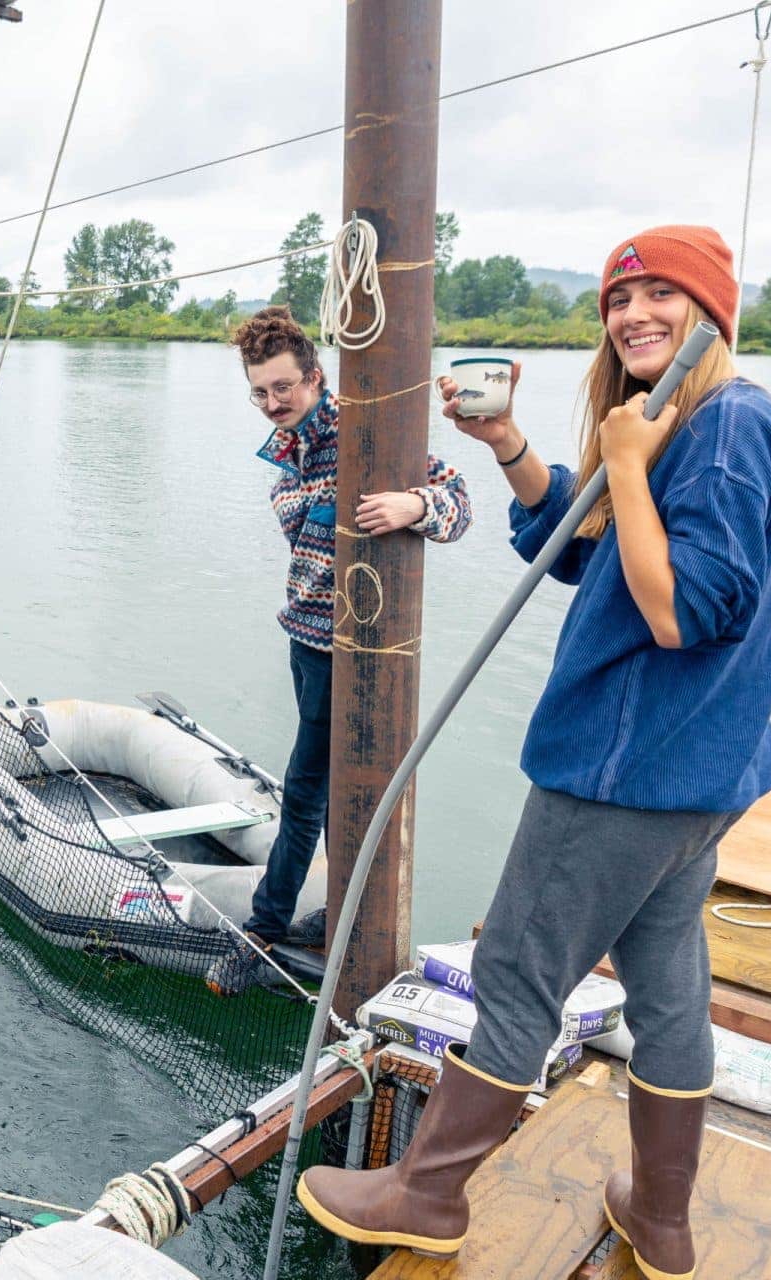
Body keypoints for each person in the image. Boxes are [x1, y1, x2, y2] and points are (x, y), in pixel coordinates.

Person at [295, 226, 771, 1280]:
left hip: (624, 768)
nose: (634, 315)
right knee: (668, 987)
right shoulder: (691, 422)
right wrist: (510, 445)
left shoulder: (724, 428)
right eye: (620, 299)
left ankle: (428, 1193)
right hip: (693, 776)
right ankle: (660, 1220)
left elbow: (682, 611)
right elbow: (592, 545)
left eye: (661, 294)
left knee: (519, 971)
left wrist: (627, 460)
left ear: (714, 311)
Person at [205, 306, 472, 998]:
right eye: (260, 393)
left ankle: (269, 928)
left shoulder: (366, 433)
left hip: (360, 651)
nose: (273, 403)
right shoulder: (287, 447)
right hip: (307, 640)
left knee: (312, 791)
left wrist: (416, 507)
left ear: (315, 377)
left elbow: (458, 499)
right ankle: (326, 912)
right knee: (321, 787)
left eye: (283, 387)